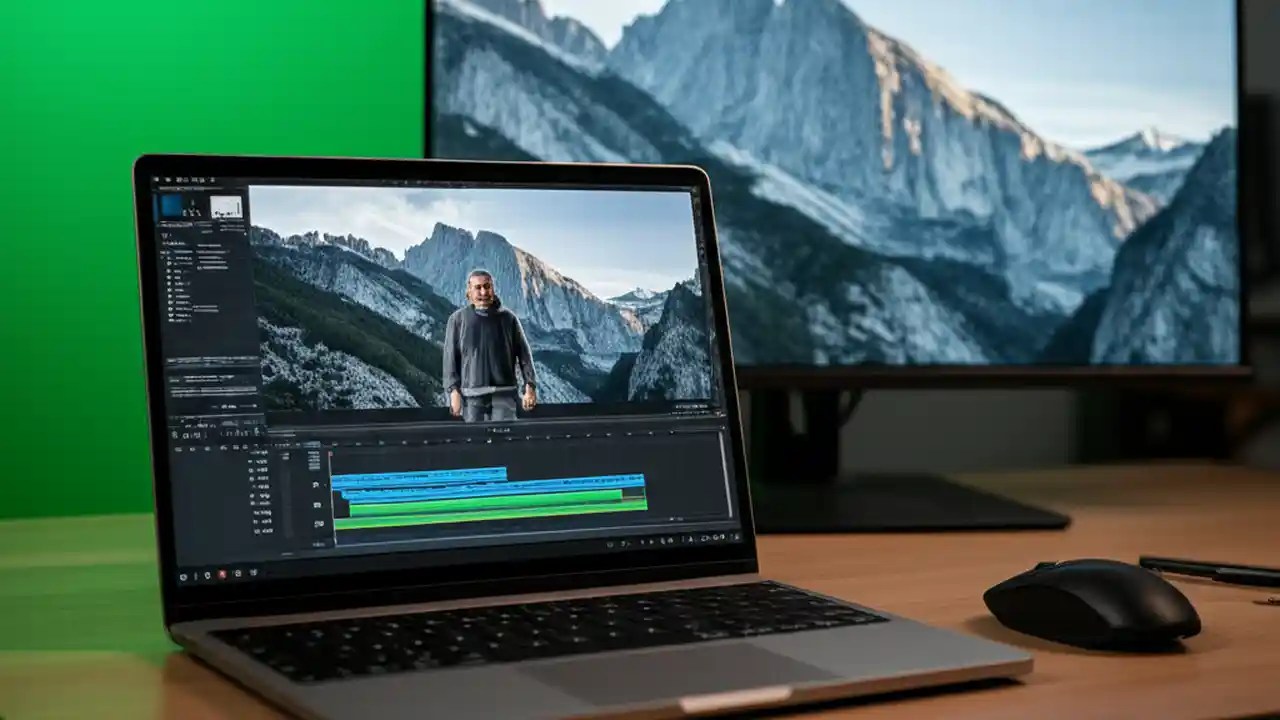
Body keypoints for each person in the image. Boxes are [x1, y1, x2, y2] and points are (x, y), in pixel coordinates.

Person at [442, 269, 537, 422]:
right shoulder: (457, 320)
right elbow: (449, 359)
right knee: (475, 442)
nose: (483, 292)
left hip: (505, 395)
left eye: (487, 286)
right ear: (469, 291)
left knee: (505, 442)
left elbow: (524, 355)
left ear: (493, 289)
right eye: (478, 287)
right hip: (471, 398)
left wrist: (530, 385)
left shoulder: (509, 319)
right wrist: (453, 391)